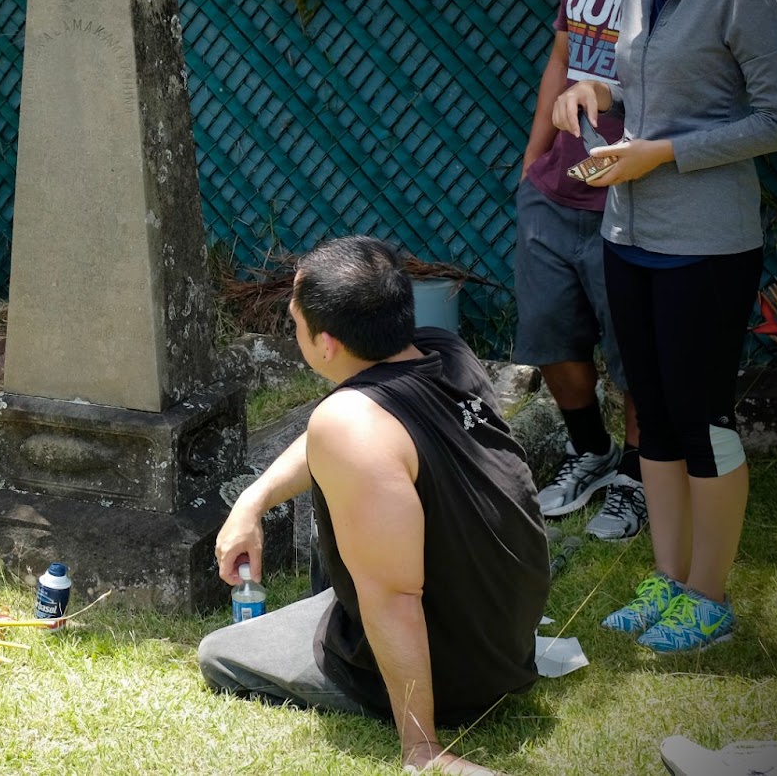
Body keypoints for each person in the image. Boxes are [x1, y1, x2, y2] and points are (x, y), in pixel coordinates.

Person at [553, 0, 777, 652]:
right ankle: (669, 584)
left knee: (703, 419)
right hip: (630, 232)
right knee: (652, 416)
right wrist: (597, 96)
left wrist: (661, 152)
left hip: (707, 242)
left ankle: (710, 596)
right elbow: (644, 88)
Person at [198, 237, 549, 776]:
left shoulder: (349, 424)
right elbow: (337, 432)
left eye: (295, 324)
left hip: (456, 673)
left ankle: (421, 737)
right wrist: (254, 498)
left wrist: (422, 748)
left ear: (329, 343)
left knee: (220, 654)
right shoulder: (444, 351)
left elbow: (395, 599)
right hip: (505, 639)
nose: (295, 335)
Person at [515, 0, 657, 540]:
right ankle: (591, 453)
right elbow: (562, 59)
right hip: (553, 191)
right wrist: (534, 155)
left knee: (633, 350)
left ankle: (636, 475)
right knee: (549, 338)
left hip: (629, 198)